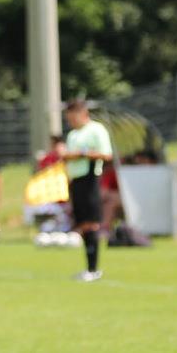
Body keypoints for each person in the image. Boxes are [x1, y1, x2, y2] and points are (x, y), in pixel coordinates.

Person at [62, 99, 114, 282]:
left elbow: (106, 154)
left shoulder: (96, 130)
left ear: (82, 114)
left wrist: (82, 154)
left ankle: (93, 269)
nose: (70, 122)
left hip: (90, 179)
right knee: (82, 223)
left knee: (91, 223)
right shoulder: (73, 135)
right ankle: (88, 268)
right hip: (76, 181)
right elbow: (68, 156)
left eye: (72, 118)